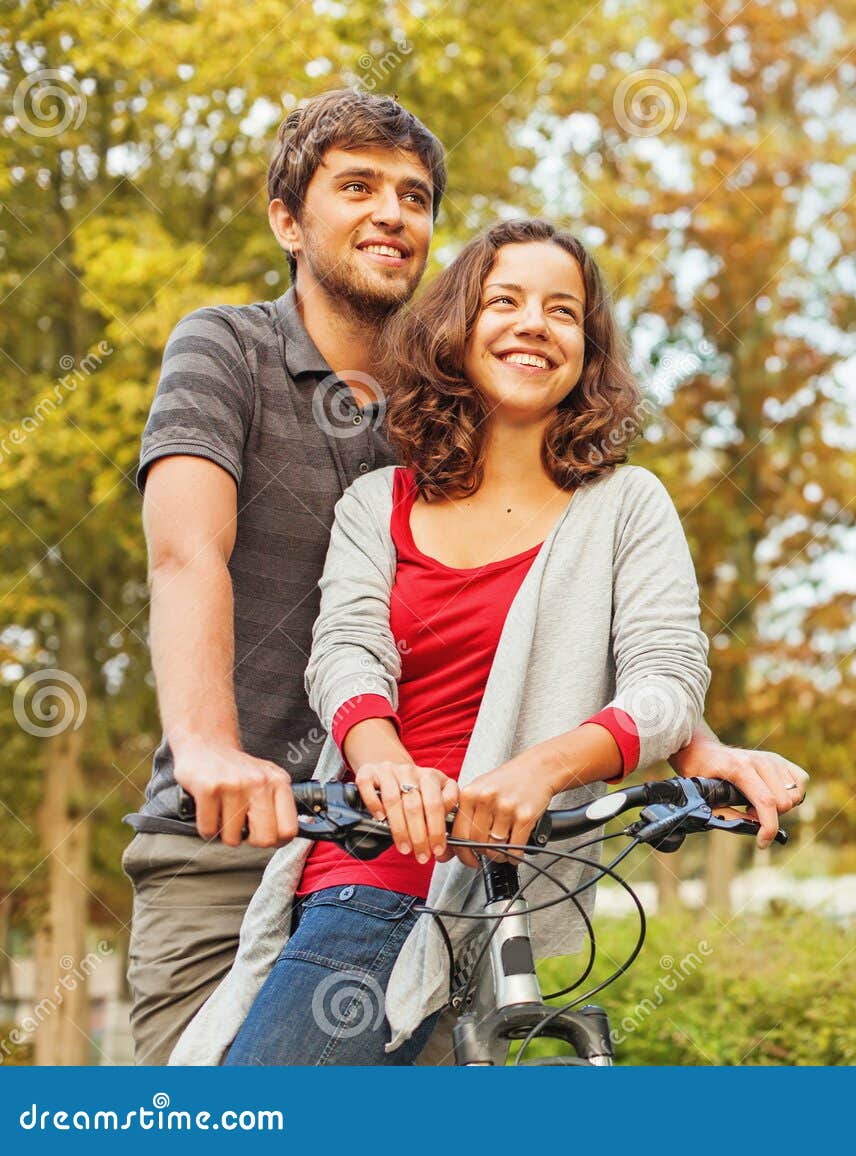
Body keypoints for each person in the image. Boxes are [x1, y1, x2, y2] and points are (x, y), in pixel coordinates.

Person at [126, 89, 807, 1066]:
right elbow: (186, 552)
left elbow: (545, 603)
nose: (390, 213)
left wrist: (688, 742)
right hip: (236, 825)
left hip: (448, 851)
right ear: (287, 218)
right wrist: (207, 748)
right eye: (356, 186)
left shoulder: (450, 410)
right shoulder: (228, 350)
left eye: (413, 194)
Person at [179, 217, 711, 1064]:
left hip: (514, 912)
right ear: (457, 332)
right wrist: (383, 762)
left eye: (563, 311)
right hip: (373, 883)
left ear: (589, 351)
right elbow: (346, 649)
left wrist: (540, 770)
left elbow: (668, 682)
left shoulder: (627, 506)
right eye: (505, 301)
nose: (534, 323)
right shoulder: (378, 503)